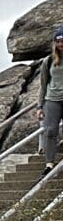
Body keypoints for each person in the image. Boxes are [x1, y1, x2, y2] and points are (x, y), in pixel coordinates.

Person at [41, 26, 63, 169]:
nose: (61, 44)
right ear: (55, 42)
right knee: (50, 131)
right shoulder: (48, 61)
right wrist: (39, 106)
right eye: (59, 40)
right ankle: (49, 163)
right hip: (52, 99)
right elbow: (43, 84)